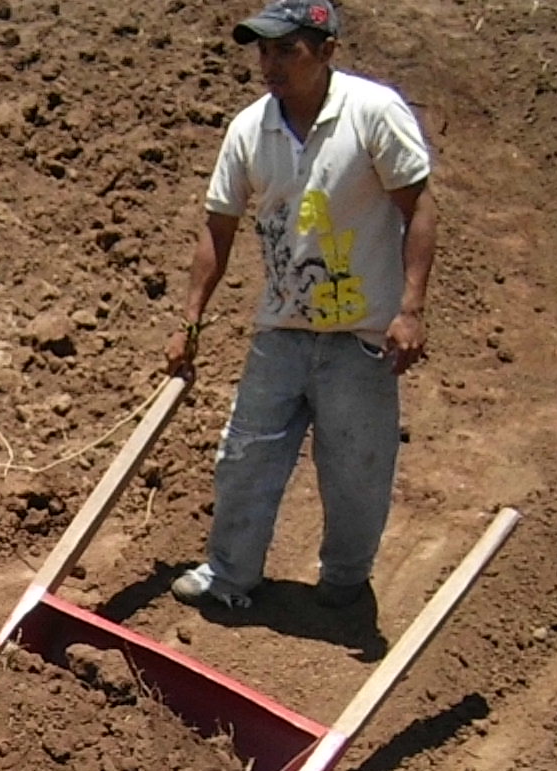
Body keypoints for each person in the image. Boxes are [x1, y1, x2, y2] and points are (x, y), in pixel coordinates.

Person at [167, 0, 437, 611]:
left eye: (286, 49)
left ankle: (345, 579)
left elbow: (417, 207)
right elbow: (217, 228)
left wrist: (411, 308)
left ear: (327, 50)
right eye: (264, 50)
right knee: (245, 455)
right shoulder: (249, 129)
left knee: (356, 469)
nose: (270, 64)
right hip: (282, 326)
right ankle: (229, 573)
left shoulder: (372, 113)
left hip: (361, 330)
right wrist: (190, 320)